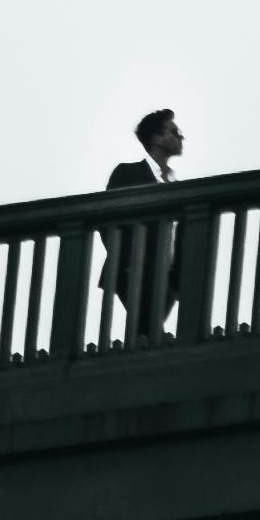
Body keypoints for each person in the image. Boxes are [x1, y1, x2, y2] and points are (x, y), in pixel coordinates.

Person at [95, 102, 184, 345]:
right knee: (148, 333)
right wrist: (125, 258)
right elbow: (106, 219)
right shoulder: (129, 173)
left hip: (167, 278)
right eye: (174, 131)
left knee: (145, 335)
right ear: (157, 138)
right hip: (134, 268)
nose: (181, 136)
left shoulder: (178, 188)